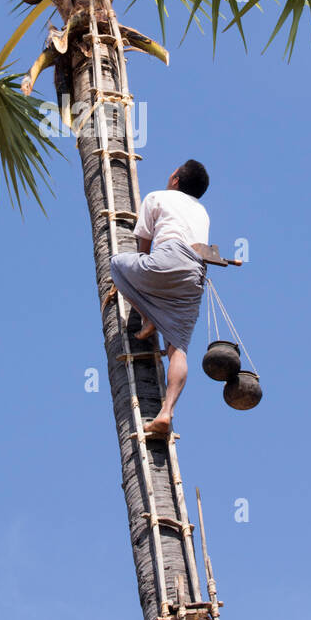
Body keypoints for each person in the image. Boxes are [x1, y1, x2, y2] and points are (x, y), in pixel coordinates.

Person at [109, 160, 210, 439]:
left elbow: (143, 248)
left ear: (176, 179)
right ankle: (166, 413)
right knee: (178, 347)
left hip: (169, 256)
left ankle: (149, 317)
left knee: (117, 265)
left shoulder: (157, 197)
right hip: (195, 273)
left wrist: (145, 291)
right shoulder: (202, 212)